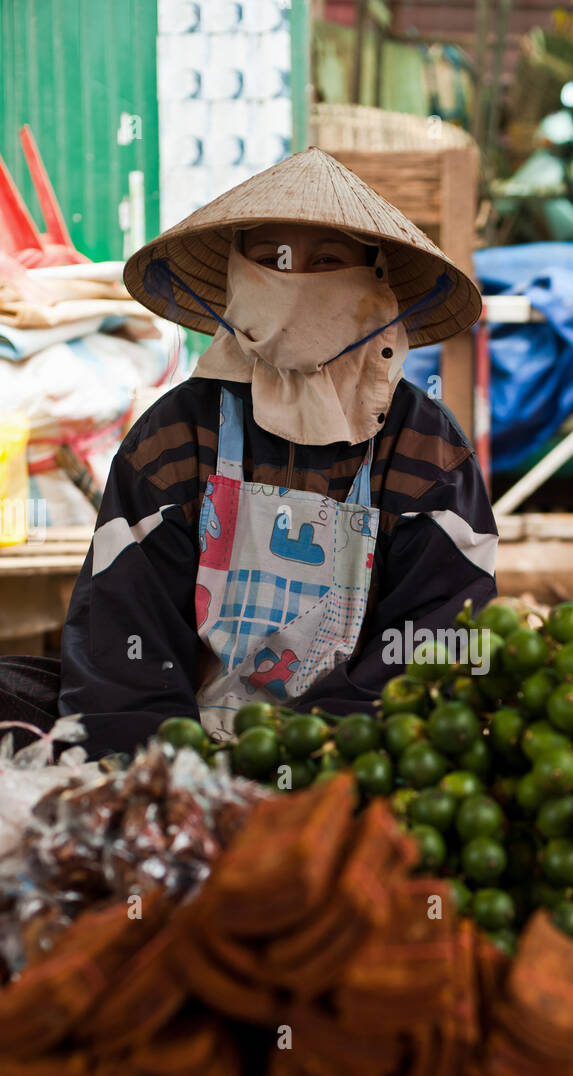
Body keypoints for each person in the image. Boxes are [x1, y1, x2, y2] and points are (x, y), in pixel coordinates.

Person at [1, 148, 497, 758]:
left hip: (352, 748)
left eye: (327, 260)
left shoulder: (427, 446)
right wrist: (168, 774)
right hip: (181, 733)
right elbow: (124, 631)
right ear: (239, 277)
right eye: (272, 260)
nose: (294, 278)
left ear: (374, 282)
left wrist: (310, 753)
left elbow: (438, 636)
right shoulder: (175, 433)